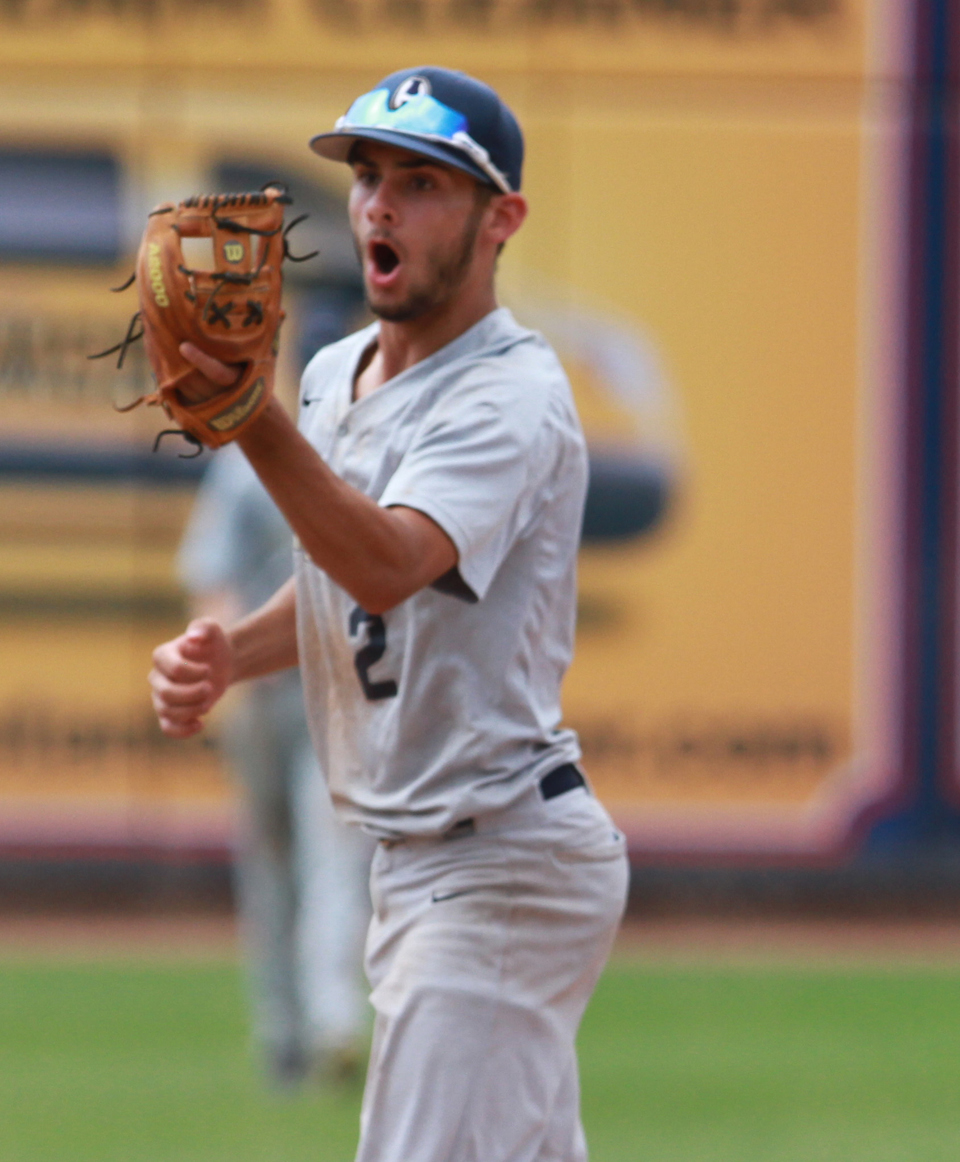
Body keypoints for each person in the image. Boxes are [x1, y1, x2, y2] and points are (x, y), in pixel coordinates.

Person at [146, 65, 628, 1161]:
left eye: (422, 183)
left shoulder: (509, 394)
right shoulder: (333, 373)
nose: (380, 205)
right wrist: (235, 651)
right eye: (369, 177)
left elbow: (389, 565)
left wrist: (248, 423)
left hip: (497, 859)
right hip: (425, 855)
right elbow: (337, 589)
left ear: (501, 219)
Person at [178, 445, 372, 1090]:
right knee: (284, 865)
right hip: (267, 685)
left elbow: (214, 580)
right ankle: (294, 1032)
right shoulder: (254, 464)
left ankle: (326, 1023)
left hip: (329, 692)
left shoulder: (335, 453)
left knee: (325, 856)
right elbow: (215, 581)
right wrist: (223, 672)